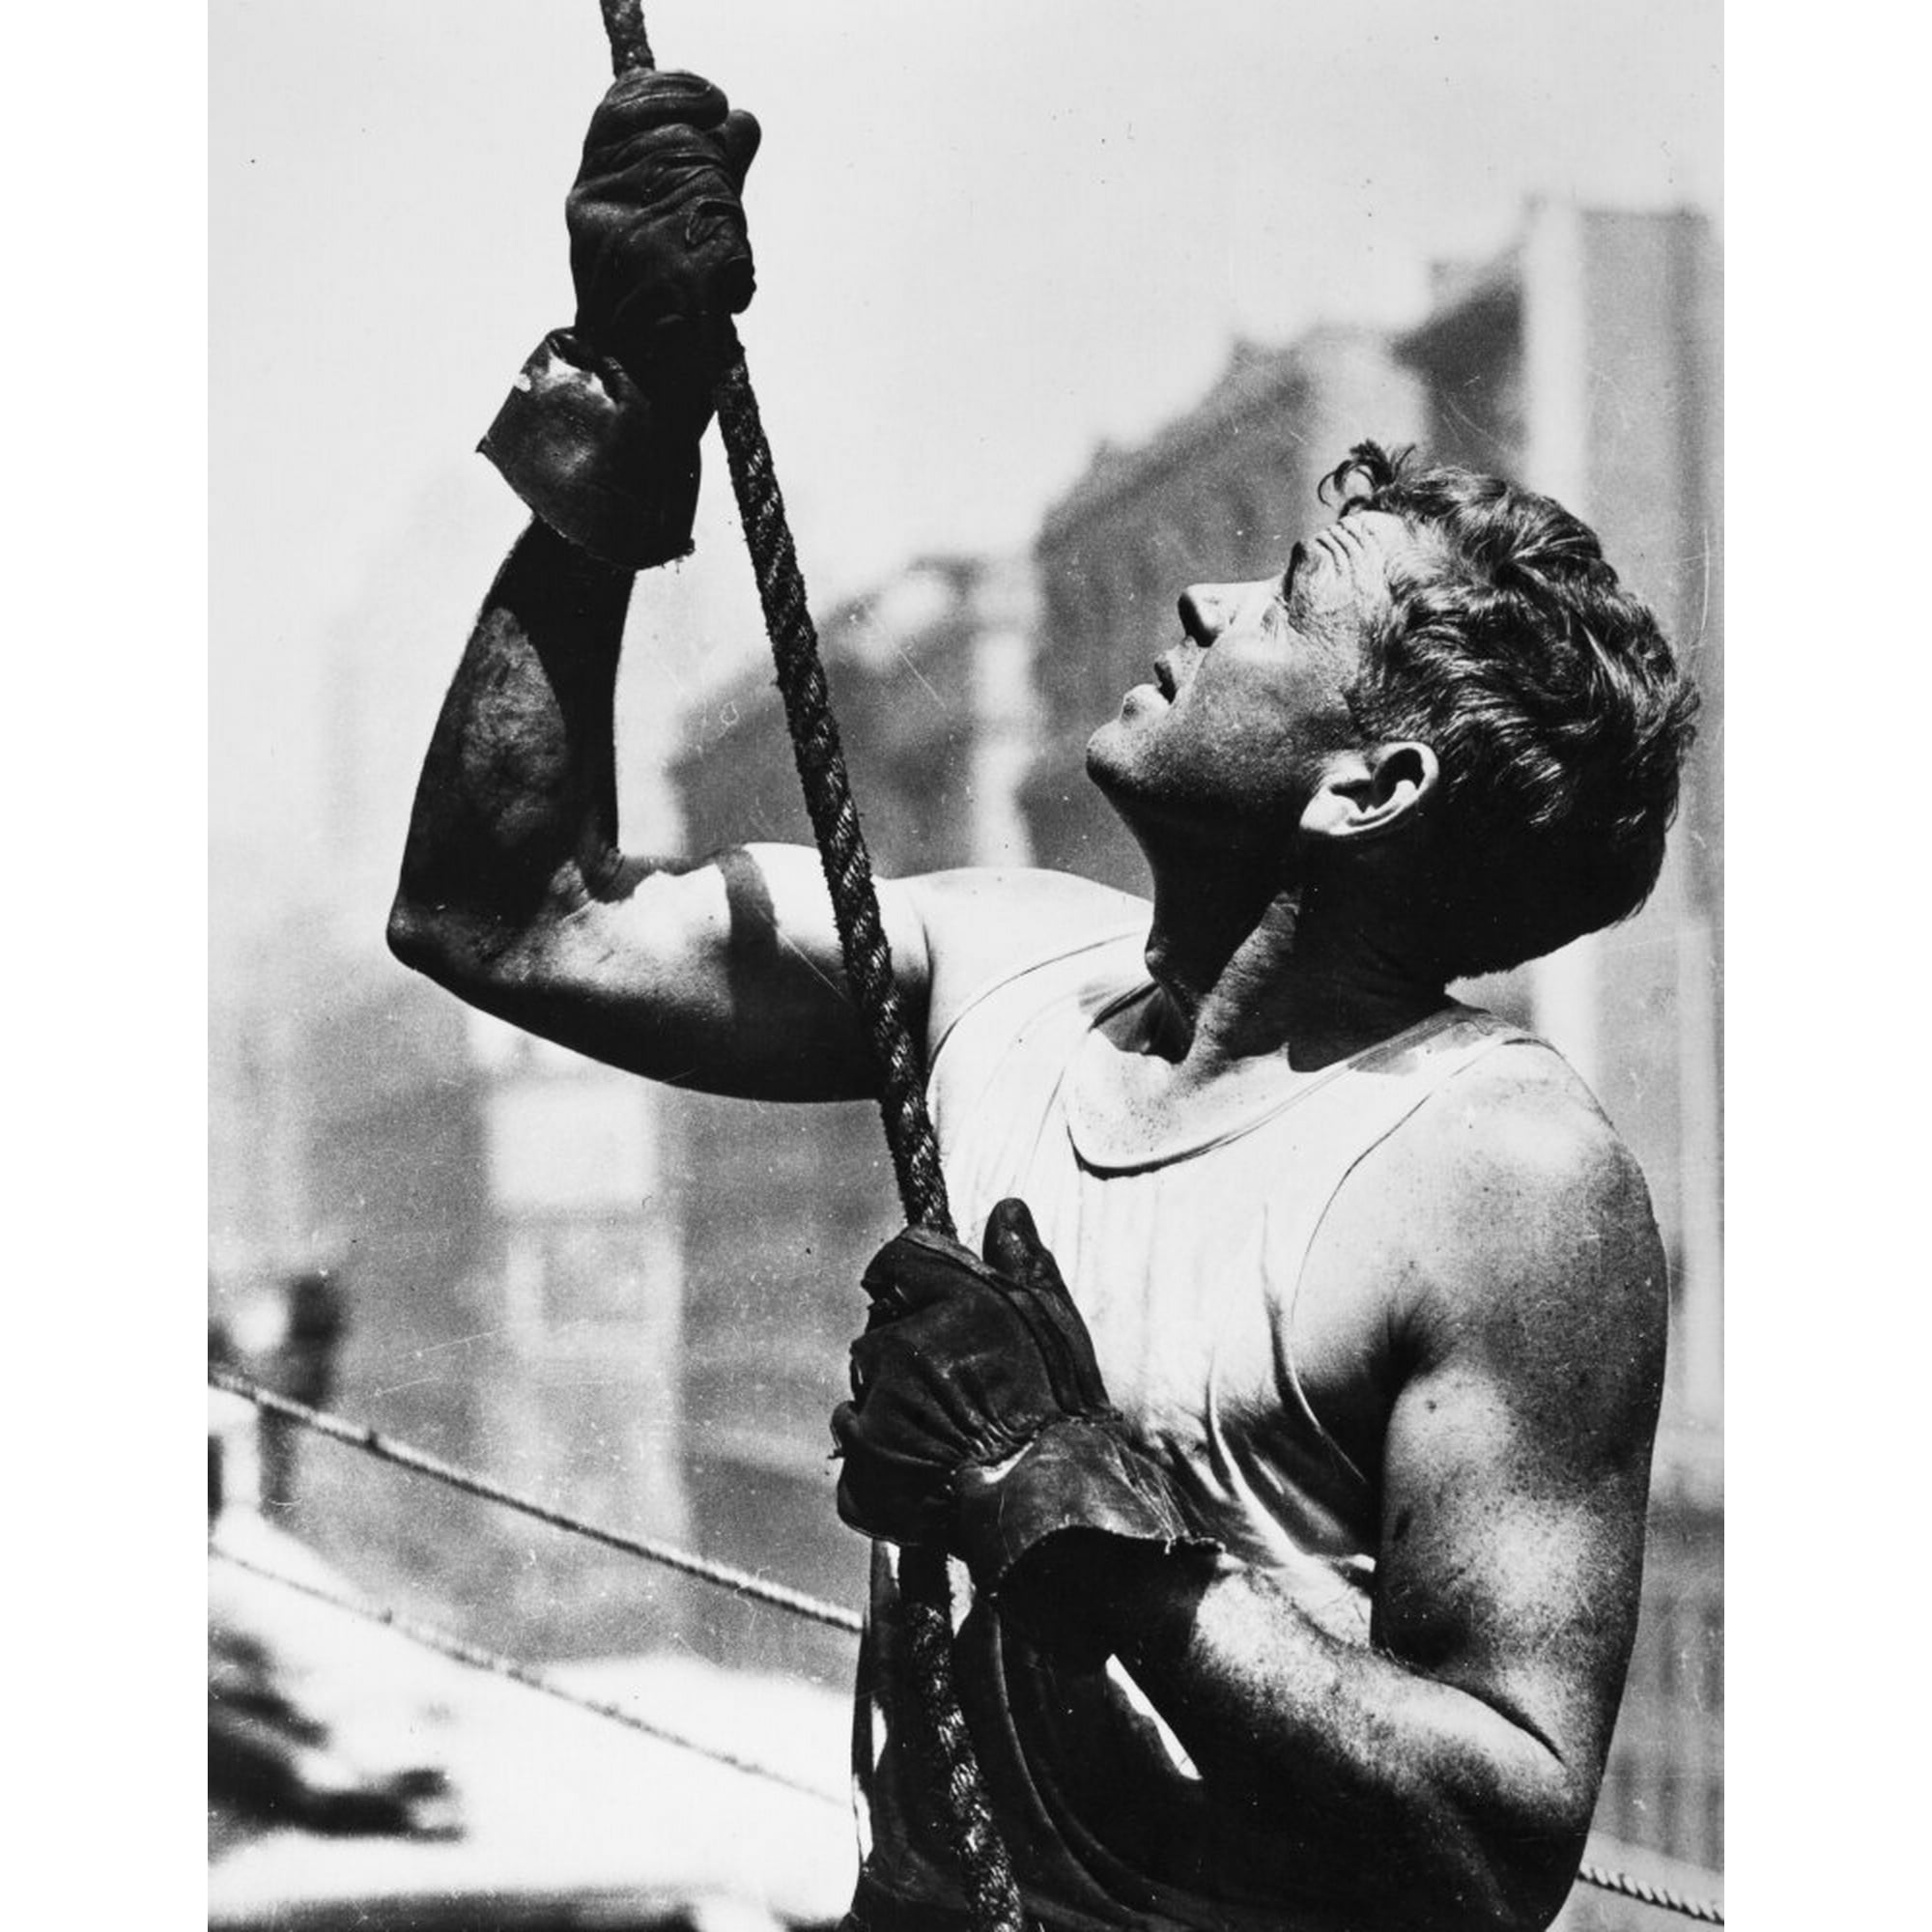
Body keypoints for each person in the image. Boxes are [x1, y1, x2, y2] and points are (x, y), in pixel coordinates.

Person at [389, 69, 1698, 1932]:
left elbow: (1498, 1844)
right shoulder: (1003, 969)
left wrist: (1061, 1506)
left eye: (1285, 594)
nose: (1198, 600)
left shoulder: (1496, 1173)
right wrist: (625, 409)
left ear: (1371, 788)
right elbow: (495, 917)